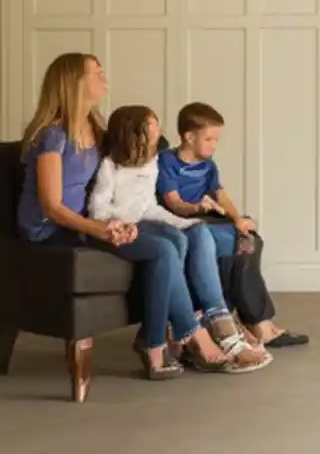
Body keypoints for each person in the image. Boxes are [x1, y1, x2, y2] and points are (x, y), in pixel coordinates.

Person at [17, 53, 266, 379]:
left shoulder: (93, 128)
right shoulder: (53, 136)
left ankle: (171, 337)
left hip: (88, 221)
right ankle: (184, 338)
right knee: (164, 249)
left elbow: (129, 154)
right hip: (51, 230)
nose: (104, 78)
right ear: (73, 82)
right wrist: (100, 228)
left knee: (181, 238)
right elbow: (51, 206)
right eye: (97, 73)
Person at [89, 104, 272, 375]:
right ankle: (200, 332)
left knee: (205, 233)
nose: (159, 137)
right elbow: (98, 209)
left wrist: (189, 222)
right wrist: (120, 222)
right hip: (123, 227)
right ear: (133, 136)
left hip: (151, 220)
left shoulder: (152, 163)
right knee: (175, 244)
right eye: (152, 131)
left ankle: (226, 323)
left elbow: (149, 206)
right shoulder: (110, 166)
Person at [158, 102, 310, 349]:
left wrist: (238, 219)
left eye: (216, 140)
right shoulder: (167, 161)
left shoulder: (208, 166)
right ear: (188, 136)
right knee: (235, 245)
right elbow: (173, 203)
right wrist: (196, 207)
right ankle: (255, 322)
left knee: (249, 239)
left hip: (209, 219)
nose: (214, 145)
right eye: (209, 139)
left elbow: (222, 196)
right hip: (183, 223)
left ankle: (249, 319)